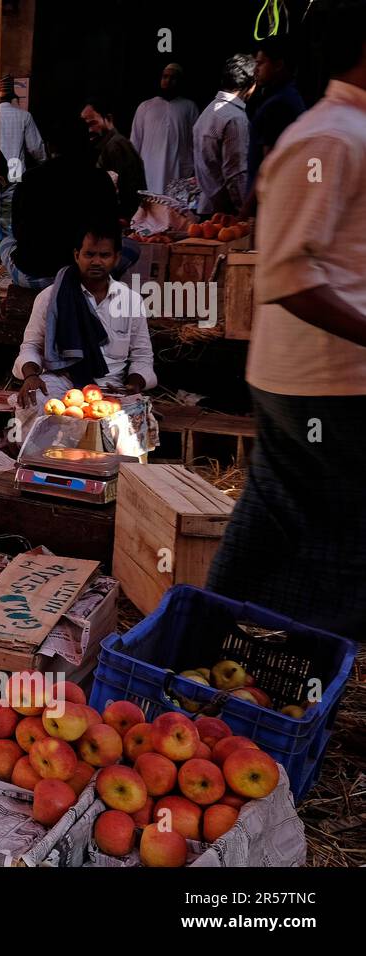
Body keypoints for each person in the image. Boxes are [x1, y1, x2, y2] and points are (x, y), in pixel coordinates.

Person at [207, 0, 366, 636]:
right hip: (324, 380)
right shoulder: (330, 136)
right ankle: (296, 684)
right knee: (341, 545)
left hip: (307, 376)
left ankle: (204, 644)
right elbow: (286, 274)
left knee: (274, 520)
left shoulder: (343, 131)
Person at [13, 223, 155, 419]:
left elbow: (142, 355)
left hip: (111, 386)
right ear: (76, 255)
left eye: (104, 255)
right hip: (61, 380)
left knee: (134, 423)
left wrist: (134, 385)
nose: (96, 261)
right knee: (33, 403)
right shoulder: (50, 297)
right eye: (89, 254)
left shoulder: (131, 300)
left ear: (116, 258)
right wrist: (30, 376)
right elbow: (31, 345)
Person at [0, 117, 122, 289]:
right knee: (131, 247)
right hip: (86, 275)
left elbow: (17, 231)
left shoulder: (30, 179)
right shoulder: (101, 179)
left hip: (34, 275)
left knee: (5, 242)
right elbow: (113, 231)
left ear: (49, 146)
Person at [243, 34, 307, 213]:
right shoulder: (288, 97)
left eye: (260, 63)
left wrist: (244, 211)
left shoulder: (279, 105)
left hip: (269, 208)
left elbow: (268, 166)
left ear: (278, 65)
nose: (255, 70)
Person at [0, 74, 45, 237]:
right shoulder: (24, 116)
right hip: (15, 173)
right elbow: (36, 149)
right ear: (13, 95)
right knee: (10, 224)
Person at [193, 55, 255, 218]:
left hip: (206, 206)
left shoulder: (208, 111)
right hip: (224, 214)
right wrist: (244, 211)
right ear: (251, 85)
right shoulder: (235, 118)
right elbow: (235, 174)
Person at [130, 63, 200, 194]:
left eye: (173, 78)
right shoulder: (145, 107)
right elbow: (135, 141)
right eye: (165, 76)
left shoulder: (189, 107)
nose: (168, 80)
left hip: (178, 171)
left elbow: (195, 143)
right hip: (149, 171)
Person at [81, 98, 148, 221]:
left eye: (93, 123)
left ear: (108, 119)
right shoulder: (109, 145)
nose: (90, 130)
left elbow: (129, 190)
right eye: (86, 125)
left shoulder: (116, 145)